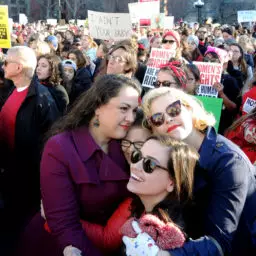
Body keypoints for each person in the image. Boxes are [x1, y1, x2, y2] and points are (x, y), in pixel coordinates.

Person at [15, 74, 141, 256]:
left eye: (135, 111)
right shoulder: (60, 147)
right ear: (98, 106)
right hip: (59, 245)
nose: (130, 118)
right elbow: (64, 221)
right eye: (124, 108)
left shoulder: (130, 144)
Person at [130, 87, 256, 256]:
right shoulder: (173, 155)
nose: (167, 119)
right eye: (158, 119)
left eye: (174, 110)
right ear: (154, 129)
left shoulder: (229, 162)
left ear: (189, 108)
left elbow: (220, 242)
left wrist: (163, 255)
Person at [0, 46, 60, 254]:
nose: (3, 65)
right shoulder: (8, 89)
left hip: (28, 177)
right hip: (8, 171)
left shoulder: (42, 98)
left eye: (6, 62)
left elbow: (51, 141)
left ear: (18, 67)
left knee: (20, 225)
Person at [122, 135, 199, 254]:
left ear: (172, 183)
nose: (135, 166)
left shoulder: (170, 236)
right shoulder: (141, 211)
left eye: (149, 164)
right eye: (137, 156)